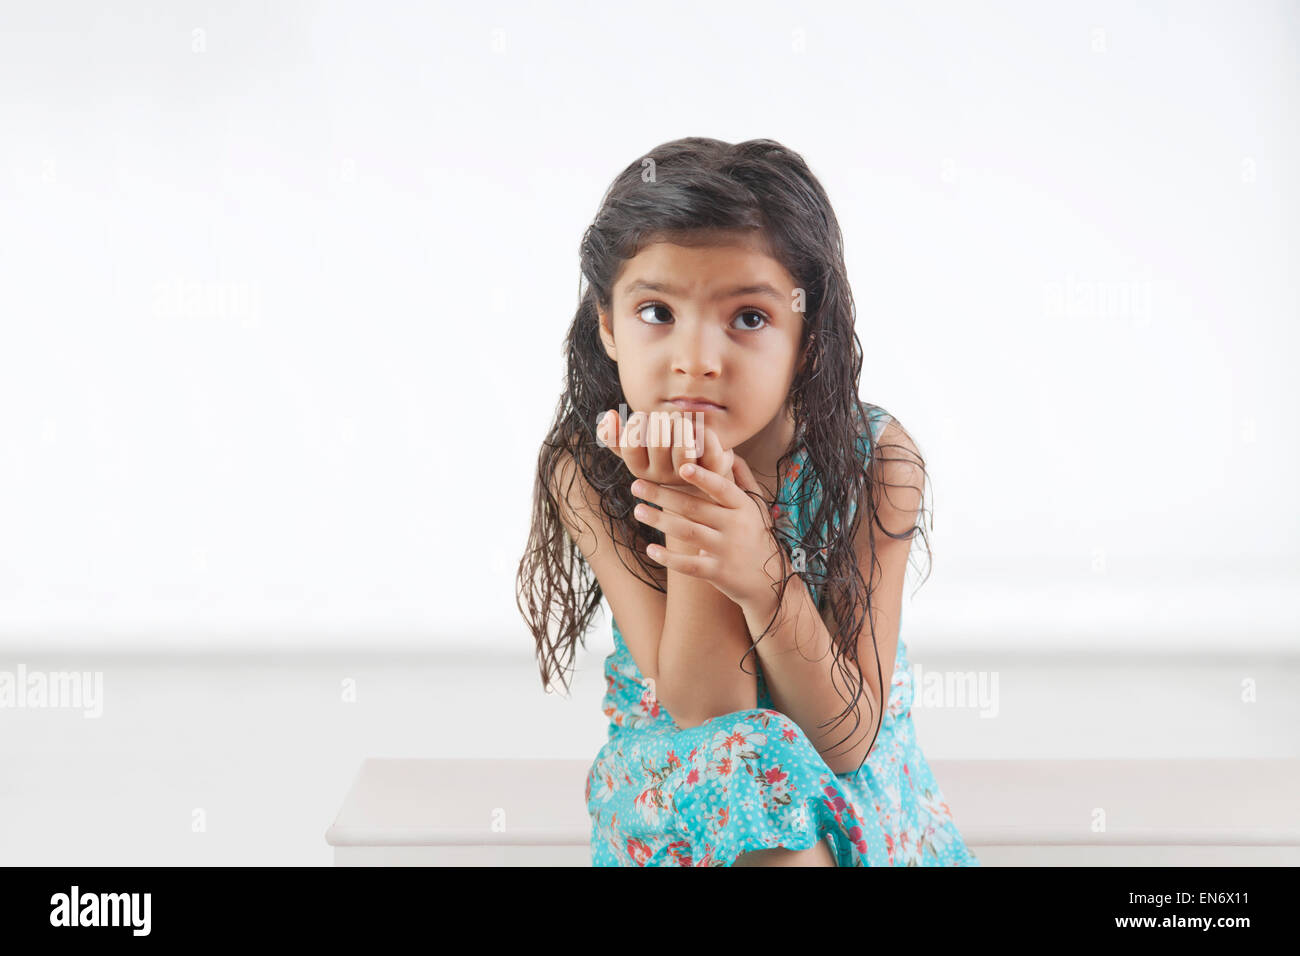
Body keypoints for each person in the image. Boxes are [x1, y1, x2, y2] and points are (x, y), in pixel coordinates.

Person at [516, 137, 980, 867]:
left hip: (846, 783)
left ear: (809, 338)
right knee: (749, 774)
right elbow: (708, 715)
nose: (696, 357)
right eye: (657, 312)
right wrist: (682, 496)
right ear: (608, 325)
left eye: (749, 319)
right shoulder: (587, 466)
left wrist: (762, 572)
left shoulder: (876, 462)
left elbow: (846, 738)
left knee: (786, 818)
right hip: (679, 781)